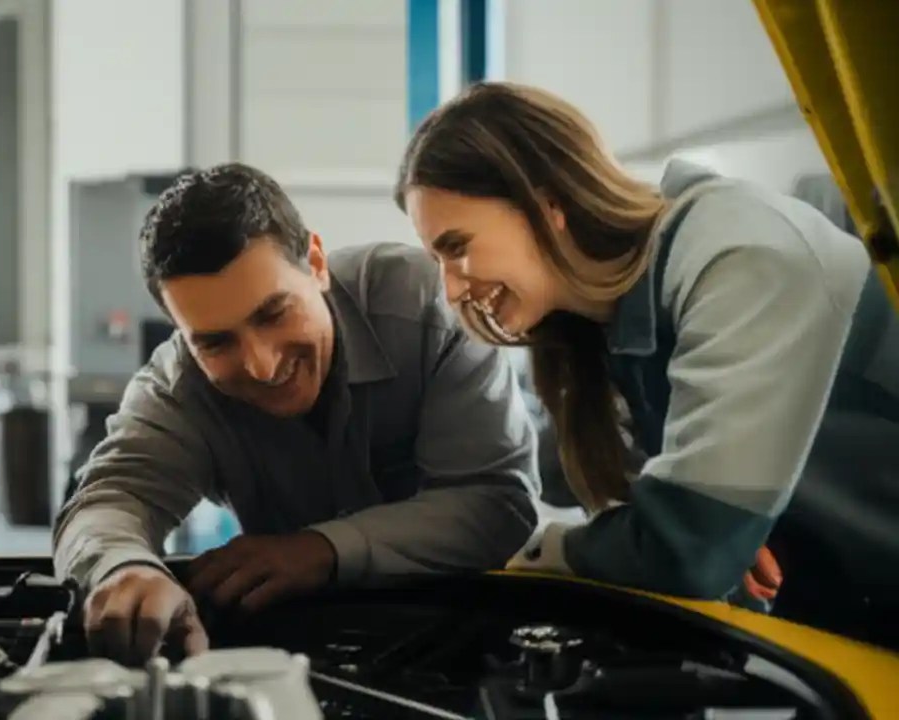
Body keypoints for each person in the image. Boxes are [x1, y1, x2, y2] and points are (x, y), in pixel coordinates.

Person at [395, 81, 899, 641]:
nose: (450, 289)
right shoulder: (603, 324)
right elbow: (567, 480)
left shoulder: (740, 255)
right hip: (851, 626)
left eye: (456, 247)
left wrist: (548, 551)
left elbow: (687, 548)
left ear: (547, 204)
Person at [54, 162, 540, 665]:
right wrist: (123, 569)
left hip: (472, 641)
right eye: (216, 341)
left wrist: (320, 550)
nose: (261, 366)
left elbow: (498, 502)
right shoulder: (180, 385)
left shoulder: (428, 308)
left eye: (273, 313)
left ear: (316, 262)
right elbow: (109, 498)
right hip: (296, 652)